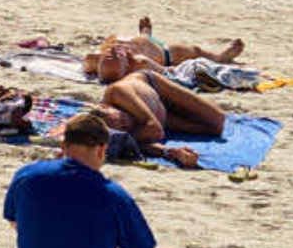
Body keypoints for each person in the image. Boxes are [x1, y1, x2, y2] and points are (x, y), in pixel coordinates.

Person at [3, 110, 199, 248]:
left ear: (64, 146)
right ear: (102, 149)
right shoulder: (112, 195)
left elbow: (16, 224)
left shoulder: (26, 175)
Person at [95, 71, 225, 167]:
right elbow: (142, 140)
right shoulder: (116, 127)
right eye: (124, 127)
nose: (128, 122)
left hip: (155, 86)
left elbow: (154, 129)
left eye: (123, 118)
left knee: (218, 119)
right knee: (213, 129)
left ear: (106, 106)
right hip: (160, 115)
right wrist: (173, 152)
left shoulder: (118, 92)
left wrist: (128, 140)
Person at [83, 17, 247, 83]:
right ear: (125, 67)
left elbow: (88, 62)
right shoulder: (140, 64)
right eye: (118, 57)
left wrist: (106, 55)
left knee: (126, 39)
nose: (115, 52)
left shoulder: (97, 59)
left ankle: (145, 33)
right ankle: (220, 57)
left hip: (138, 40)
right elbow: (170, 72)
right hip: (164, 52)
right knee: (194, 50)